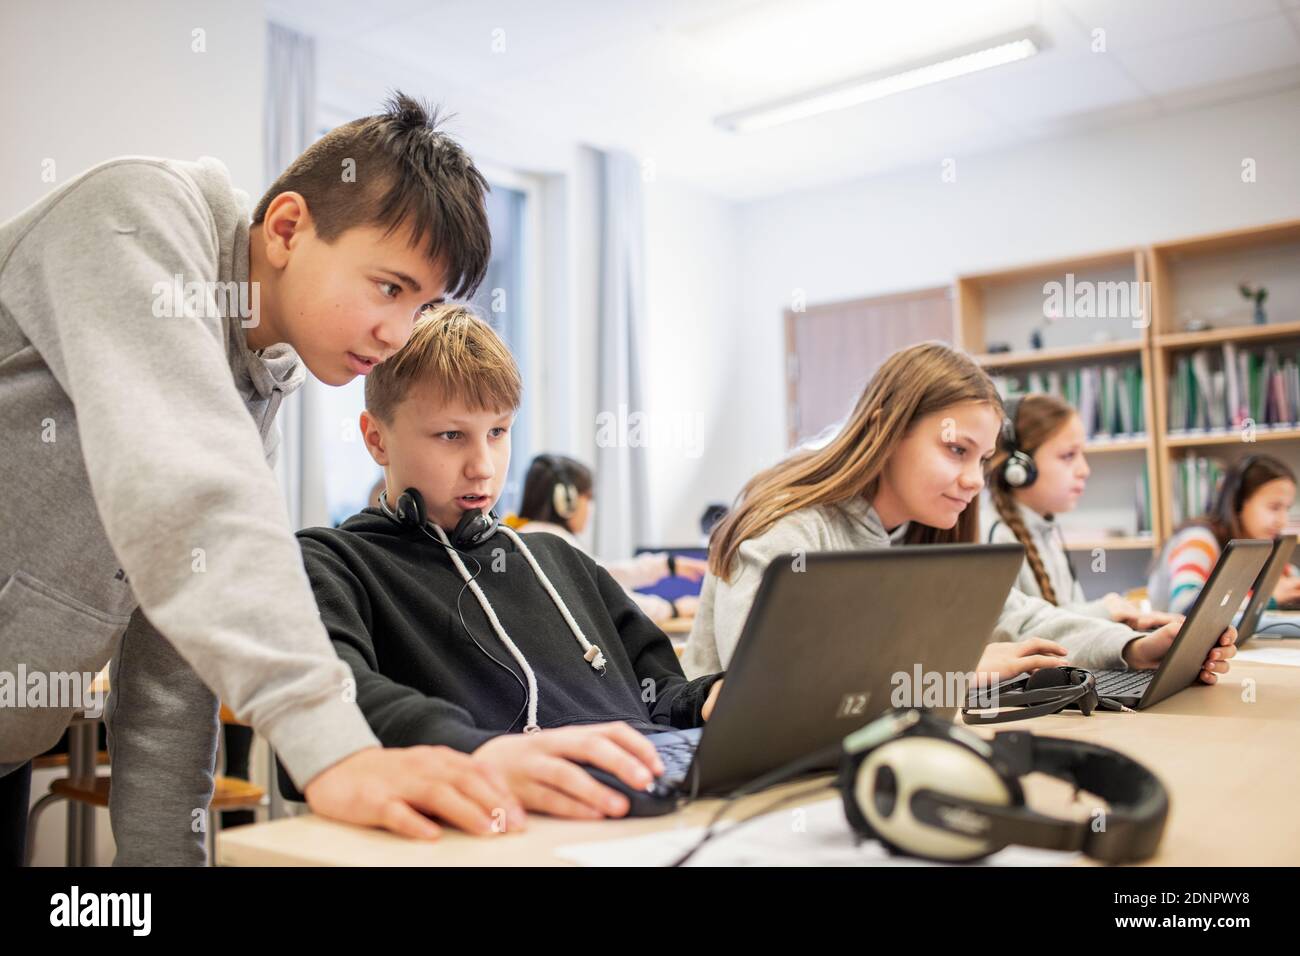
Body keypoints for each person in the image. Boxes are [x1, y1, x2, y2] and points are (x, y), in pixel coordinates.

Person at [0, 92, 521, 864]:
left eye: (422, 304)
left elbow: (172, 673)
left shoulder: (256, 385)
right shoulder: (132, 214)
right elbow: (188, 491)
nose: (398, 332)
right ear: (286, 228)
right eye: (388, 287)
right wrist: (334, 747)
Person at [297, 304, 725, 819]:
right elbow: (336, 699)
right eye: (451, 435)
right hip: (501, 817)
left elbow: (659, 694)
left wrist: (709, 698)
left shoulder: (561, 560)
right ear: (375, 438)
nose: (482, 467)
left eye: (498, 432)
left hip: (645, 791)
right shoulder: (335, 564)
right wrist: (474, 752)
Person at [681, 342, 1237, 693]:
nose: (976, 480)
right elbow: (770, 684)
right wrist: (950, 669)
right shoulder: (788, 528)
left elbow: (1020, 620)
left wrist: (1133, 648)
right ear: (886, 428)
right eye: (956, 450)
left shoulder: (921, 532)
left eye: (984, 458)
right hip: (738, 782)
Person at [1149, 454, 1300, 614]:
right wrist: (1266, 598)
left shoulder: (1259, 543)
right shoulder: (1199, 540)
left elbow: (1289, 581)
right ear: (1238, 503)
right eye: (1274, 507)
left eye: (1287, 509)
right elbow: (1184, 604)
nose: (1283, 521)